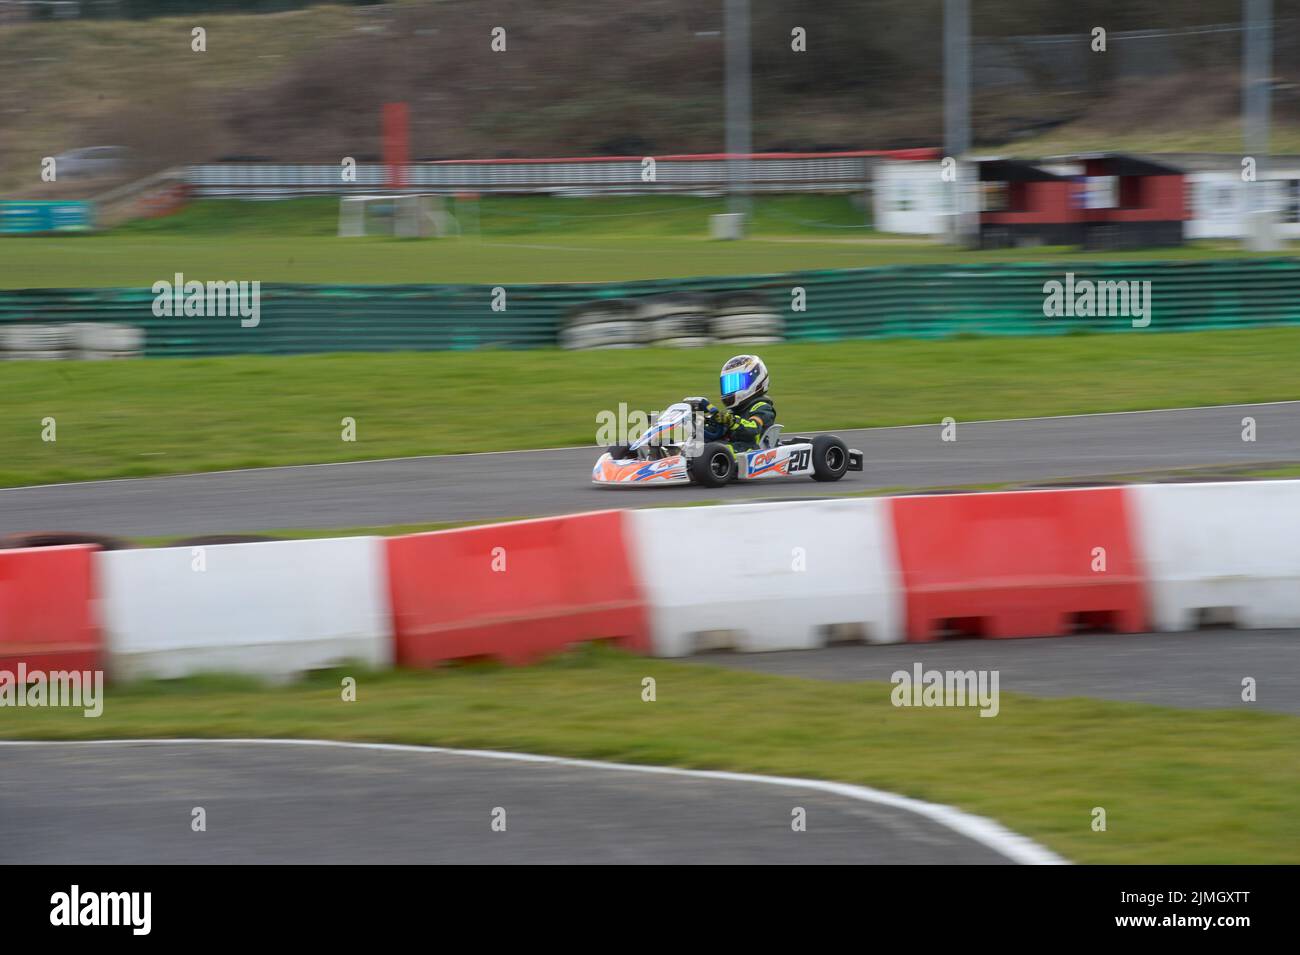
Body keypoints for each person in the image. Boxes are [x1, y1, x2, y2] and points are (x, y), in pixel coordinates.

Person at [702, 354, 775, 452]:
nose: (730, 390)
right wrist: (704, 423)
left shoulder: (762, 407)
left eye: (735, 383)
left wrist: (732, 421)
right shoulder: (734, 411)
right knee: (702, 443)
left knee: (715, 449)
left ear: (755, 380)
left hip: (751, 449)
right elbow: (719, 432)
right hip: (731, 448)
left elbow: (753, 429)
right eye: (728, 385)